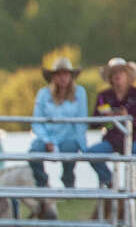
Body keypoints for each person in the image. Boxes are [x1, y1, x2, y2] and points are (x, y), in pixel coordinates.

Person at [27, 57, 88, 188]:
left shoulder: (80, 93)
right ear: (53, 77)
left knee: (70, 150)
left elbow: (81, 121)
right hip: (47, 136)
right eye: (59, 74)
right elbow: (36, 121)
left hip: (69, 137)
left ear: (71, 76)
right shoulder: (43, 94)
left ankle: (68, 181)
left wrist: (82, 144)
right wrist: (47, 140)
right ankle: (42, 183)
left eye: (66, 74)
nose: (63, 78)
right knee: (33, 153)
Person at [86, 57, 136, 189]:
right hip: (111, 139)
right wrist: (106, 119)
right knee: (92, 154)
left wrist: (128, 118)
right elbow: (94, 123)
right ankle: (110, 182)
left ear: (128, 75)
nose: (117, 76)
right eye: (114, 73)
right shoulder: (103, 96)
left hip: (133, 139)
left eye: (121, 72)